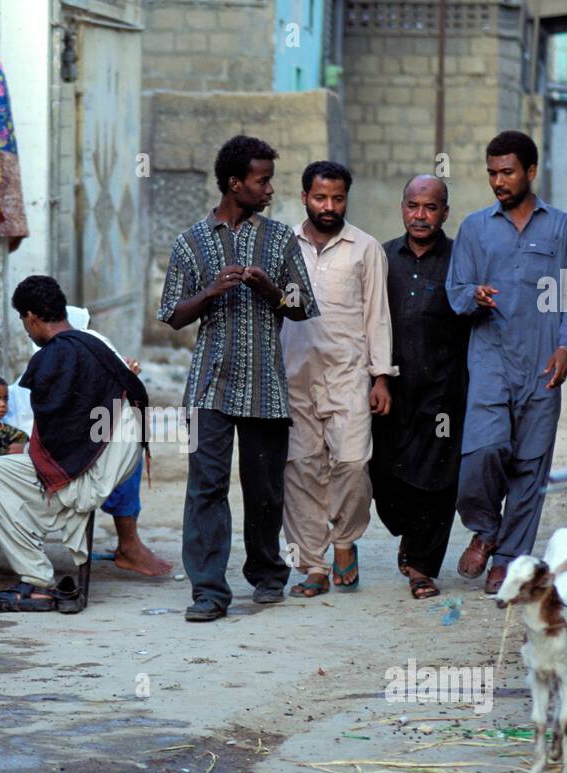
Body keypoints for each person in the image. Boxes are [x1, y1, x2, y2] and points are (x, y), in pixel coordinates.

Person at [158, 135, 318, 622]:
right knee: (205, 487)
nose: (270, 189)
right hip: (210, 386)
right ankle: (207, 591)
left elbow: (302, 305)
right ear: (234, 183)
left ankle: (268, 574)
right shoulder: (191, 241)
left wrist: (270, 289)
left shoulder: (280, 239)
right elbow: (172, 314)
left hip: (266, 386)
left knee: (264, 488)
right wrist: (210, 292)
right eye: (262, 180)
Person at [446, 130, 567, 594]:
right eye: (491, 173)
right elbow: (456, 292)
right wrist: (475, 295)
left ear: (530, 171)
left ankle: (508, 558)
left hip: (543, 364)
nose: (498, 181)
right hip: (490, 358)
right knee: (481, 454)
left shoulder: (566, 229)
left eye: (507, 172)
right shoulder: (474, 227)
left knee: (530, 468)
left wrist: (566, 346)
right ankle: (486, 528)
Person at [0, 276, 148, 612]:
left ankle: (37, 579)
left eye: (24, 323)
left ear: (31, 317)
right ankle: (41, 576)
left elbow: (59, 432)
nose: (27, 331)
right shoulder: (97, 345)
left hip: (88, 474)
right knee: (14, 471)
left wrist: (29, 451)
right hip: (113, 464)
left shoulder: (53, 356)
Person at [281, 160, 395, 598]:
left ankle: (345, 539)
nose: (329, 207)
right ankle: (312, 565)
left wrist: (380, 377)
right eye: (320, 198)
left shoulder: (365, 248)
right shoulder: (282, 245)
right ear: (305, 196)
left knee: (351, 463)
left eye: (338, 198)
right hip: (294, 375)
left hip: (348, 374)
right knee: (301, 470)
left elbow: (377, 317)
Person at [4, 306, 173, 577]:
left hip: (69, 443)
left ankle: (129, 542)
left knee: (123, 441)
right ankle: (128, 542)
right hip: (49, 450)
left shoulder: (77, 359)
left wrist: (121, 380)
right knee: (110, 447)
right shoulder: (50, 366)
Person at [372, 174, 471, 599]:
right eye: (414, 206)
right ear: (402, 207)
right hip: (390, 388)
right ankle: (408, 535)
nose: (421, 215)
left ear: (445, 212)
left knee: (438, 478)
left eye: (431, 207)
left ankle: (423, 568)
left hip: (443, 391)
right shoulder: (381, 257)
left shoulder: (460, 259)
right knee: (384, 476)